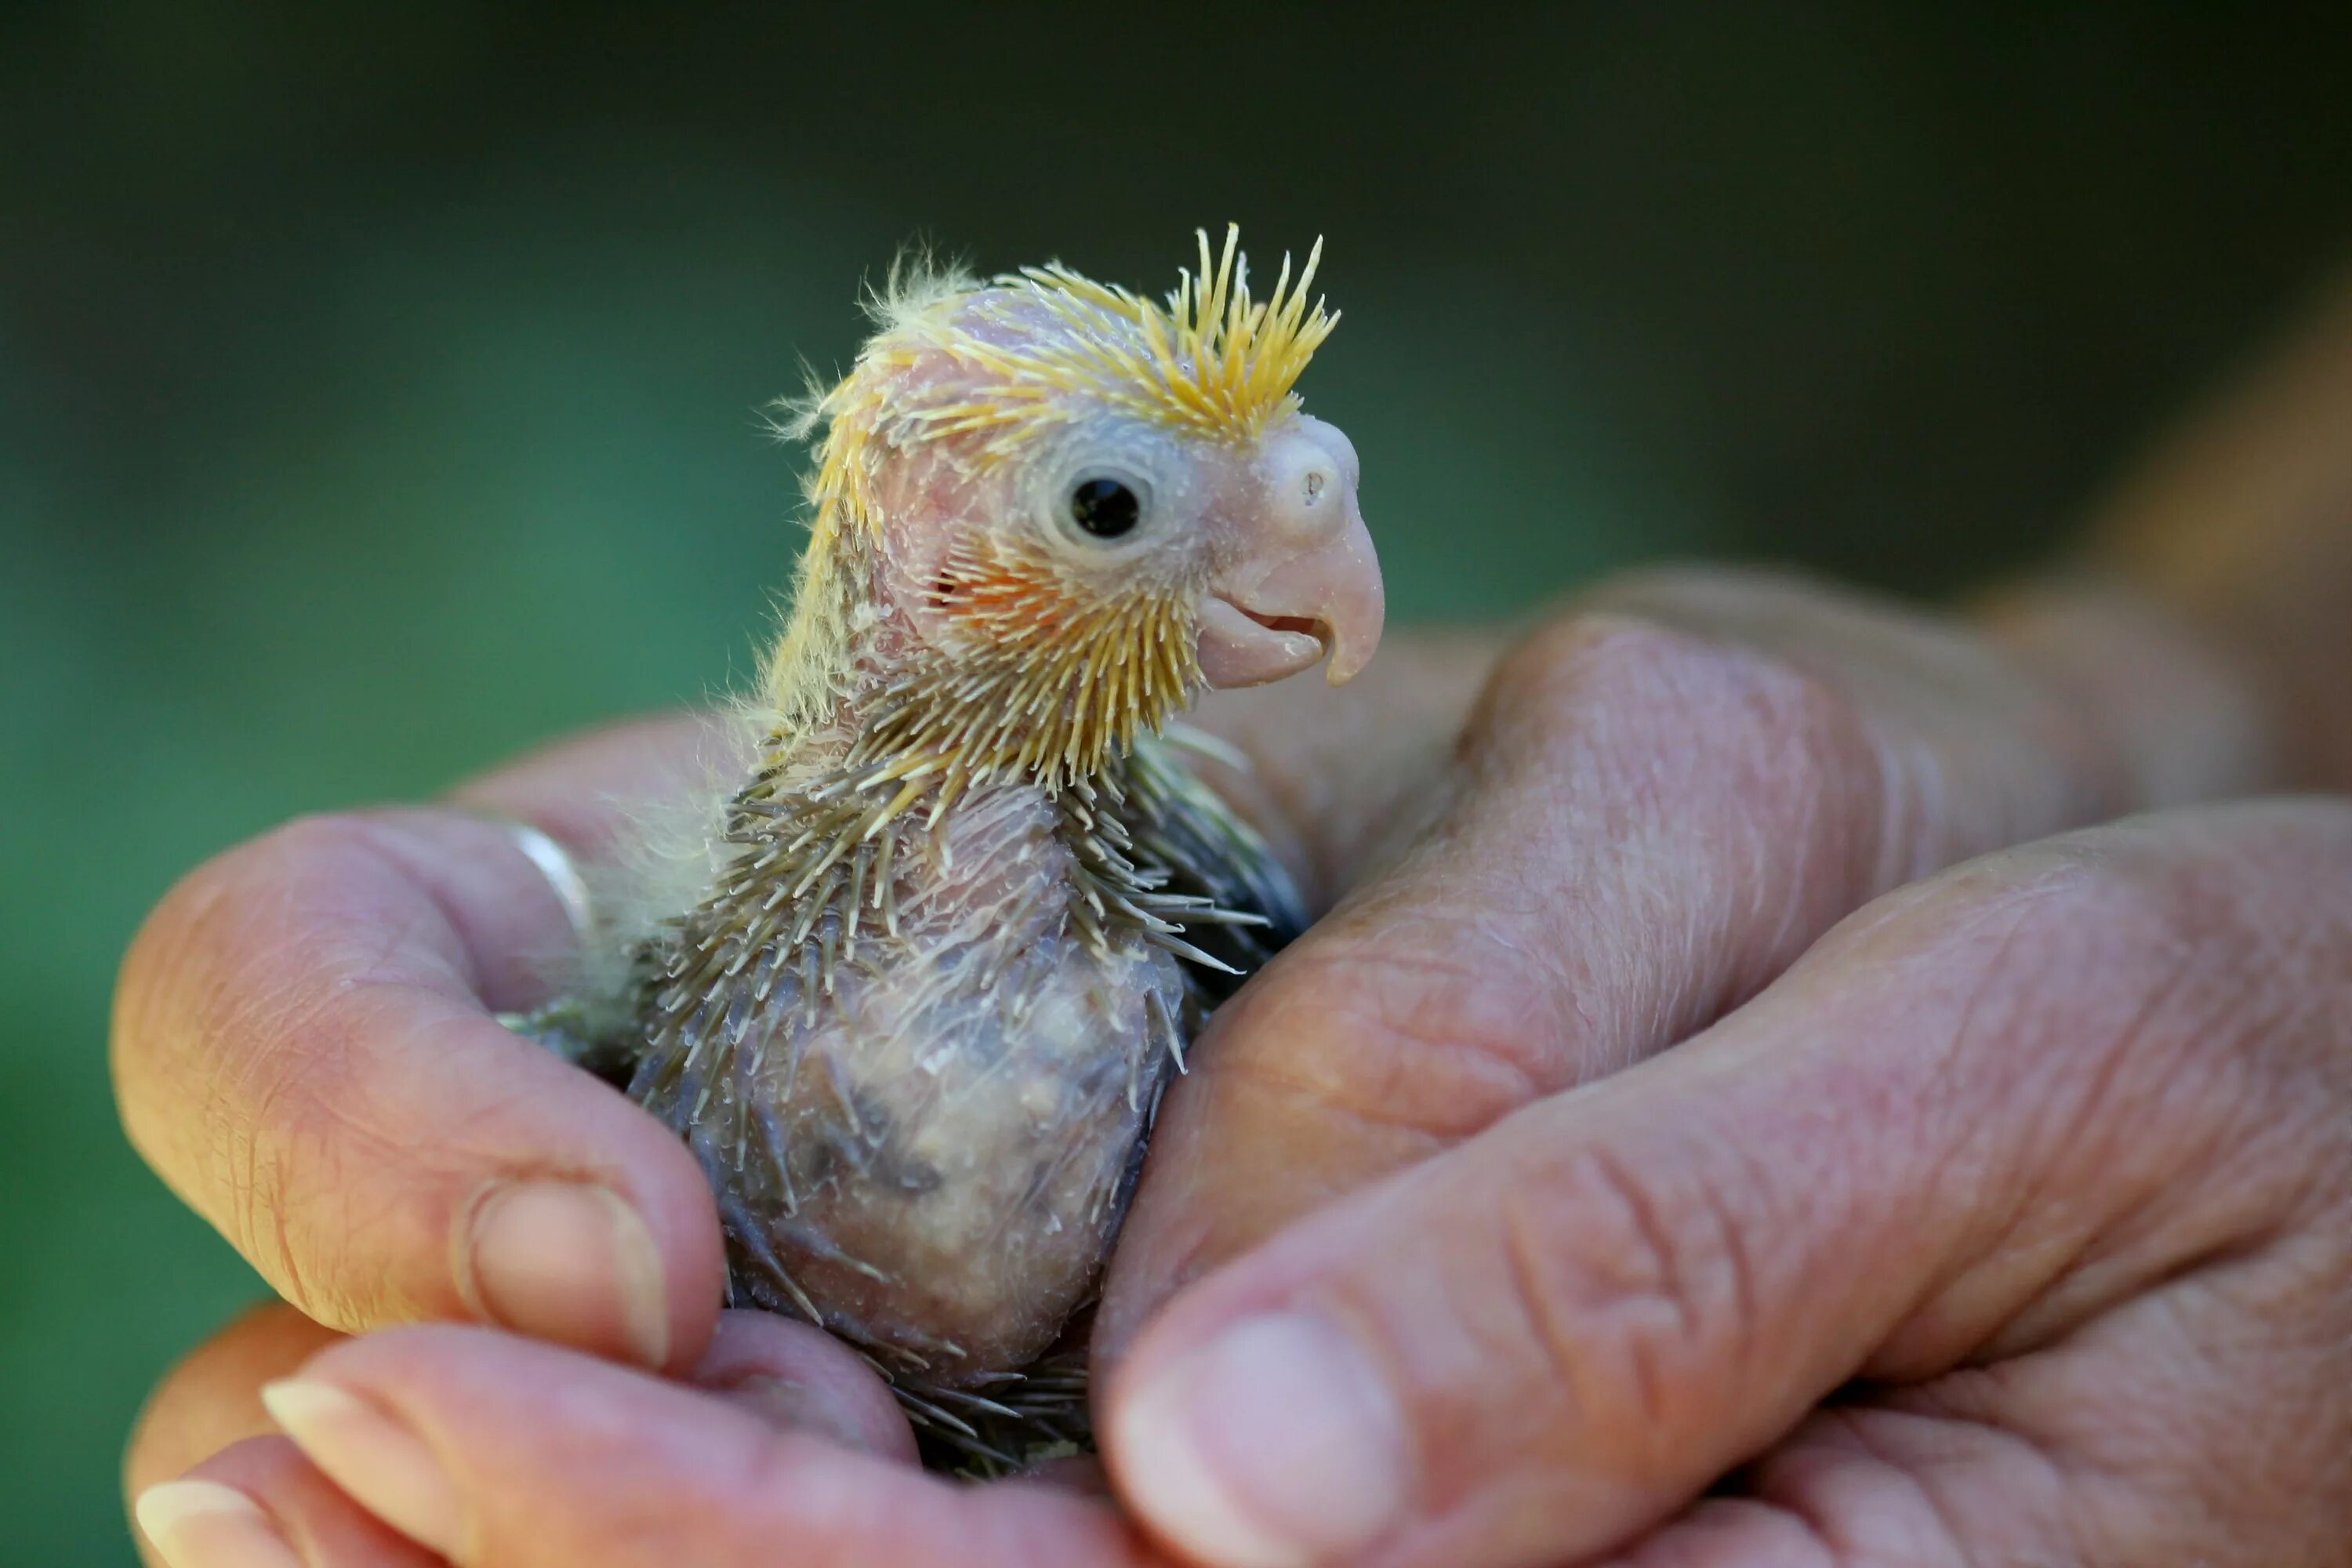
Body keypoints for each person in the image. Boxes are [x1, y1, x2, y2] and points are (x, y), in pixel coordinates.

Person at [114, 273, 2352, 1568]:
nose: (1299, 562)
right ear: (922, 563)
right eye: (1112, 512)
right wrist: (2178, 694)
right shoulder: (678, 987)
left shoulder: (1225, 914)